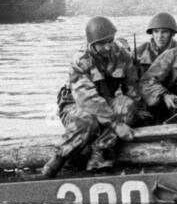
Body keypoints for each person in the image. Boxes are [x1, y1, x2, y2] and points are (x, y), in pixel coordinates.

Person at [42, 17, 144, 177]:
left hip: (105, 101)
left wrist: (134, 114)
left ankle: (101, 152)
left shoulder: (121, 55)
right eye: (102, 43)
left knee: (127, 105)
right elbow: (88, 100)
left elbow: (132, 89)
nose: (108, 46)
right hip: (74, 104)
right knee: (88, 119)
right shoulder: (81, 60)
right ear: (92, 44)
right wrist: (116, 125)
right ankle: (61, 156)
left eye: (110, 41)